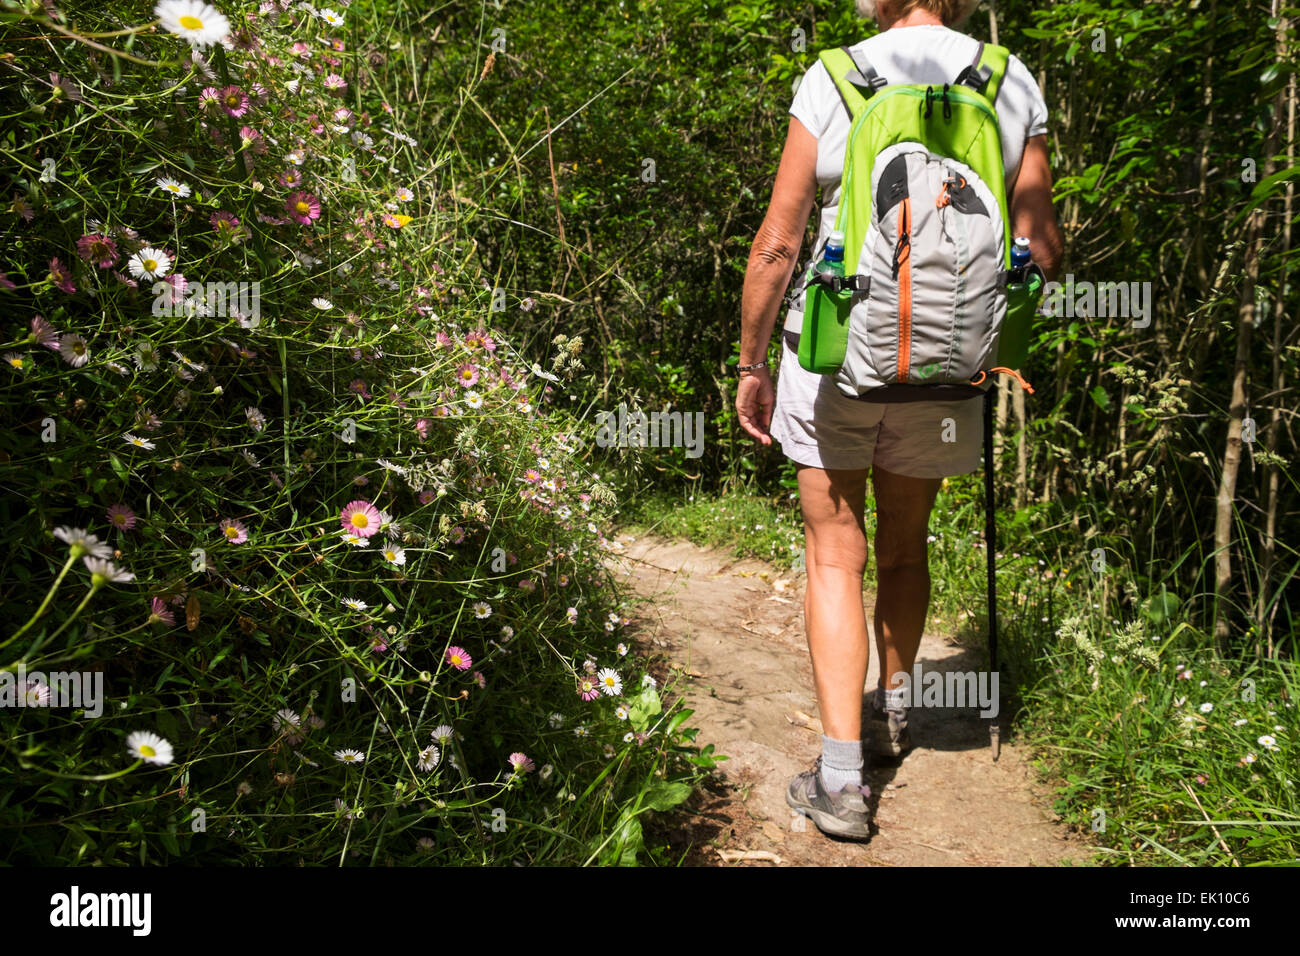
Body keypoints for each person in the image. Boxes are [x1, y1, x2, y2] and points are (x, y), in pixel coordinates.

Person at [735, 0, 1064, 841]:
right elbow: (1043, 249)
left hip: (835, 357)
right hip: (946, 370)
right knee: (906, 546)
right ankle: (891, 712)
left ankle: (841, 780)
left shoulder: (836, 75)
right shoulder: (1006, 78)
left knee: (834, 556)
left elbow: (780, 239)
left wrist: (751, 361)